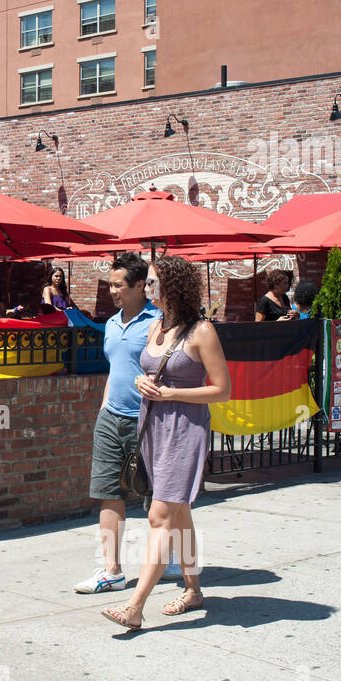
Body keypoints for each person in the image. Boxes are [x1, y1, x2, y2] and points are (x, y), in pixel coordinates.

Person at [103, 255, 231, 631]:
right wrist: (145, 385)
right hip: (153, 426)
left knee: (160, 516)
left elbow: (222, 390)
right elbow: (150, 373)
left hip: (184, 430)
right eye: (147, 282)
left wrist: (172, 393)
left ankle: (135, 606)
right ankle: (193, 590)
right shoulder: (155, 328)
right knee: (180, 515)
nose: (148, 288)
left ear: (174, 286)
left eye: (154, 282)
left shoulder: (202, 331)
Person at [75, 253, 183, 594]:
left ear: (140, 286)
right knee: (108, 492)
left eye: (118, 285)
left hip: (150, 420)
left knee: (159, 497)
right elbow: (115, 369)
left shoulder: (160, 322)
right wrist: (104, 407)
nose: (112, 291)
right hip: (112, 418)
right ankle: (112, 571)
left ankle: (168, 560)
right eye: (110, 284)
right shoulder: (110, 324)